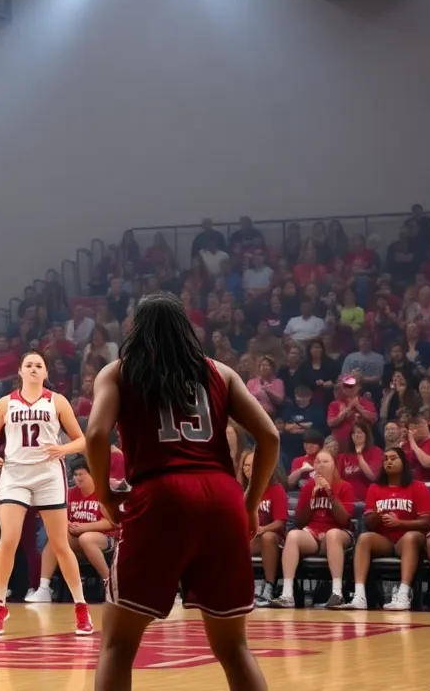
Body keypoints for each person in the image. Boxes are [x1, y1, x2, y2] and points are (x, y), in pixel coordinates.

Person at [86, 293, 280, 691]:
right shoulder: (221, 372)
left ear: (134, 329)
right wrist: (249, 502)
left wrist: (105, 493)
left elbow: (95, 435)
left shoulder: (118, 372)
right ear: (187, 329)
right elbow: (270, 436)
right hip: (222, 498)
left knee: (118, 645)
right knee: (234, 647)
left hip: (160, 495)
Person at [0, 351, 89, 636]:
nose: (33, 368)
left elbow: (81, 440)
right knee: (8, 540)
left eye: (38, 365)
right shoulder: (5, 403)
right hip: (15, 474)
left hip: (48, 475)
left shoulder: (57, 401)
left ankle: (81, 607)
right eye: (28, 364)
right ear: (19, 370)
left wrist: (62, 449)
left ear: (45, 373)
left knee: (60, 544)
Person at [342, 448, 430, 611]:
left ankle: (404, 594)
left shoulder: (418, 487)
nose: (388, 462)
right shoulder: (375, 488)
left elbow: (427, 522)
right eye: (385, 459)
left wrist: (400, 523)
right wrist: (378, 513)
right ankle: (359, 595)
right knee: (364, 538)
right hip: (384, 540)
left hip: (408, 539)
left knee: (410, 537)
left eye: (393, 458)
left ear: (403, 463)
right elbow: (369, 524)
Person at [269, 449, 355, 608]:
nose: (320, 465)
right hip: (313, 534)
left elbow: (345, 521)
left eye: (325, 462)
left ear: (334, 466)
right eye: (317, 462)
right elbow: (300, 520)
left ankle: (337, 593)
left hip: (338, 533)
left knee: (333, 535)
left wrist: (329, 493)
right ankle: (287, 594)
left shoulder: (344, 486)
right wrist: (312, 496)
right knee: (293, 535)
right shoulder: (308, 487)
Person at [25, 457, 116, 605]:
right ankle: (44, 588)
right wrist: (66, 524)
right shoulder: (71, 493)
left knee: (86, 538)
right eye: (75, 475)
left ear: (92, 474)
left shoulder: (102, 493)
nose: (77, 478)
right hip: (76, 540)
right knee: (56, 536)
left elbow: (110, 522)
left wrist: (84, 527)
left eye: (81, 474)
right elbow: (61, 518)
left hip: (104, 539)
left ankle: (109, 584)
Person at [241, 451, 289, 607]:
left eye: (252, 465)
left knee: (267, 537)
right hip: (252, 538)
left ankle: (269, 587)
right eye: (246, 466)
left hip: (273, 538)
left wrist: (261, 529)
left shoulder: (276, 489)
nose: (248, 469)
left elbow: (280, 522)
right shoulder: (241, 491)